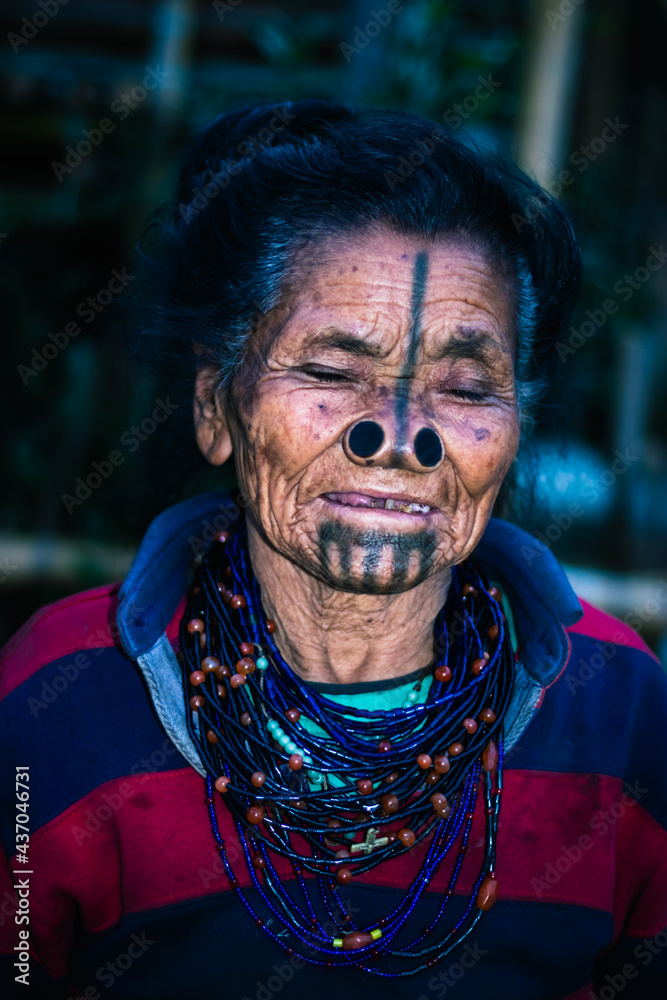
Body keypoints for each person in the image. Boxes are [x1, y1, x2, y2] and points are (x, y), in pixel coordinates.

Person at [2, 100, 666, 1000]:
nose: (398, 437)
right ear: (213, 405)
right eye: (328, 371)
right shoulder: (59, 696)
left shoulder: (621, 708)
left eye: (465, 387)